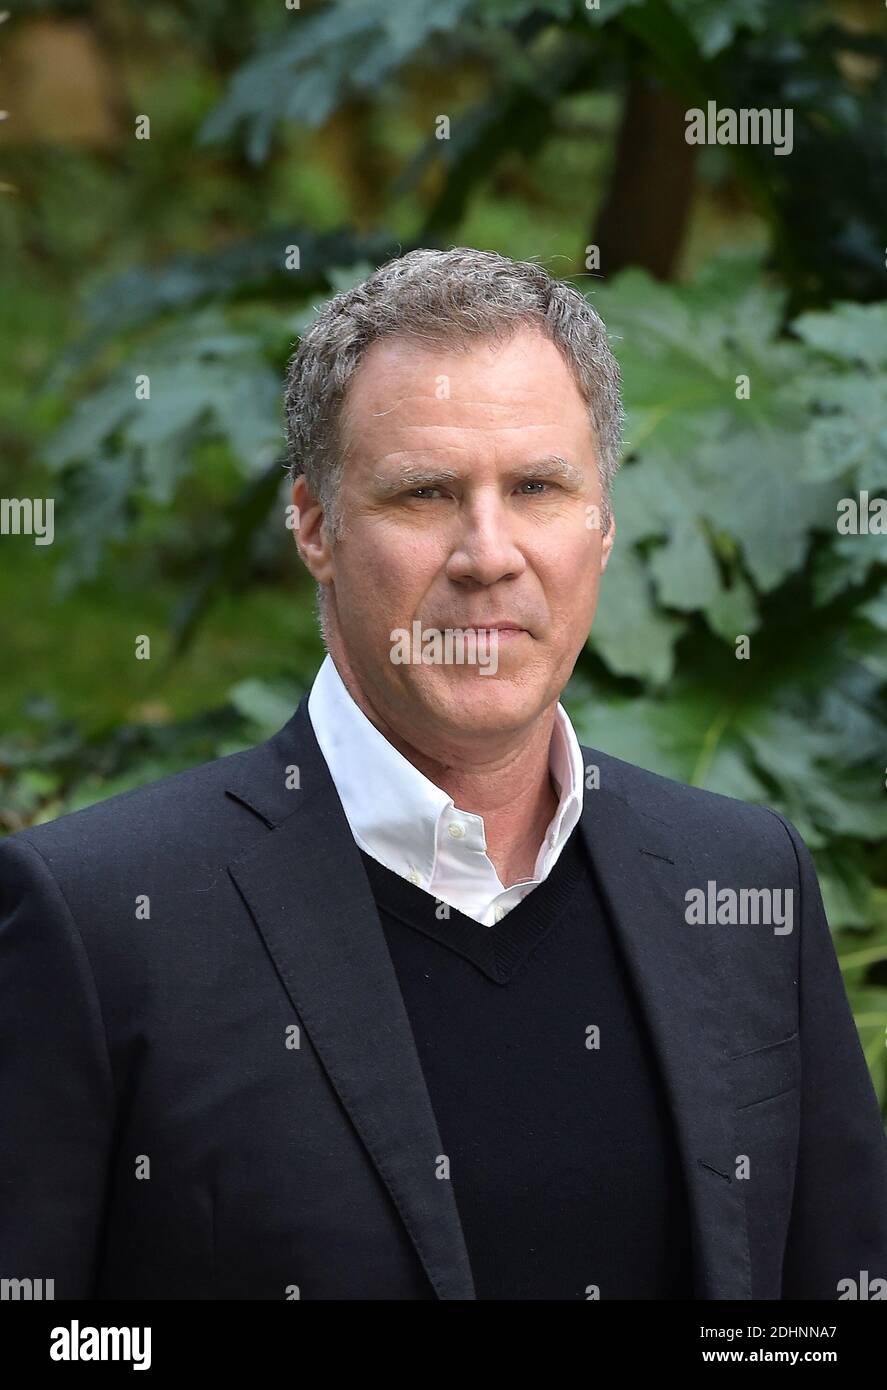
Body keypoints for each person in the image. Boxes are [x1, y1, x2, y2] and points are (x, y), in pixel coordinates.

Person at [2, 247, 885, 1300]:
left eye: (537, 487)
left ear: (599, 525)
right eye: (424, 492)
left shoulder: (740, 882)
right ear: (315, 525)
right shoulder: (100, 919)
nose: (487, 551)